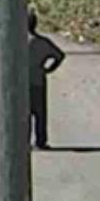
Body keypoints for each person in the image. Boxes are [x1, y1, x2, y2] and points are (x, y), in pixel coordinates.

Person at [29, 11, 67, 150]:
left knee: (23, 113)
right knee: (40, 113)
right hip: (38, 80)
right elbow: (60, 55)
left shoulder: (16, 42)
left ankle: (23, 141)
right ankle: (41, 141)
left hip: (20, 83)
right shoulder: (42, 42)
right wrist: (48, 69)